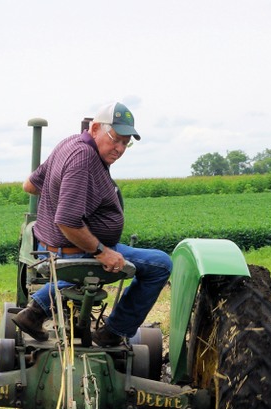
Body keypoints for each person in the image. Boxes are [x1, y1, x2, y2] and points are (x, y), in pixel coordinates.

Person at [12, 102, 172, 347]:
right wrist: (102, 252)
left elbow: (31, 185)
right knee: (160, 265)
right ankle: (114, 331)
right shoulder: (84, 160)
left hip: (59, 247)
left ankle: (36, 312)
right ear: (95, 128)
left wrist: (65, 194)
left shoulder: (70, 143)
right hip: (78, 251)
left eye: (125, 143)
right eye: (115, 139)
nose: (119, 149)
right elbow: (67, 221)